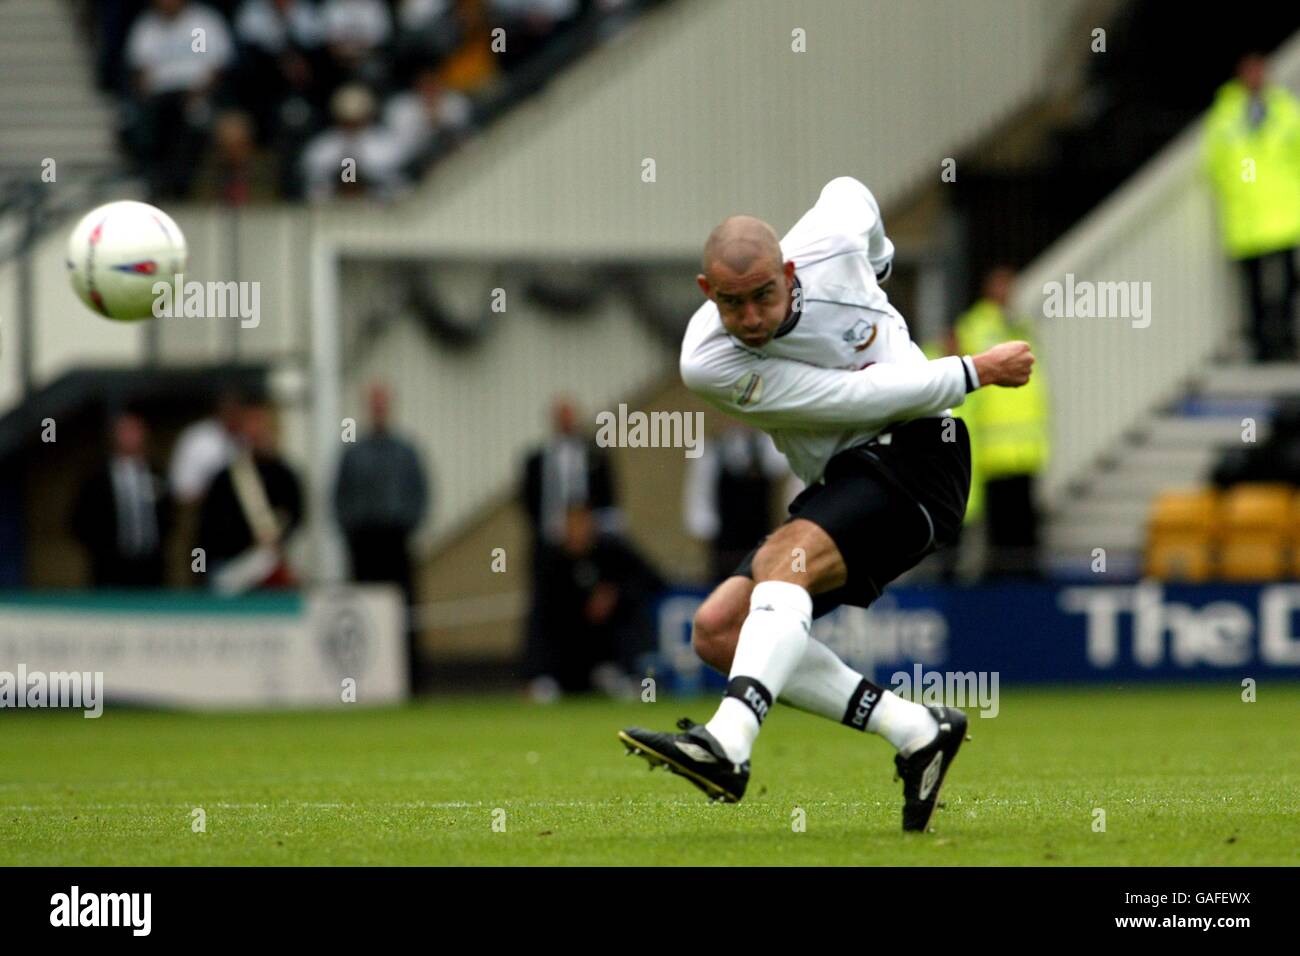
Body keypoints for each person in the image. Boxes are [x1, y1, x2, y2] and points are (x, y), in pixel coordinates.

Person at [618, 177, 1035, 832]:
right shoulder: (709, 361)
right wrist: (972, 369)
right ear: (706, 293)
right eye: (732, 304)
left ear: (787, 269)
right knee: (717, 631)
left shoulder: (832, 237)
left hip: (926, 453)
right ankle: (918, 729)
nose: (751, 319)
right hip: (856, 463)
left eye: (763, 296)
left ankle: (727, 743)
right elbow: (854, 400)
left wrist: (880, 257)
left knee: (787, 559)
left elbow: (852, 192)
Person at [952, 267, 1049, 579]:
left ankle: (1025, 585)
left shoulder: (1020, 325)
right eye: (1001, 285)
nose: (1007, 292)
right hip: (994, 451)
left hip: (1026, 450)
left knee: (1025, 531)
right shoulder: (974, 325)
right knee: (1001, 535)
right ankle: (1003, 586)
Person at [1202, 54, 1300, 360]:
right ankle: (1263, 345)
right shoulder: (1226, 115)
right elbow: (1216, 164)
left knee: (1286, 283)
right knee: (1254, 290)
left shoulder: (1284, 108)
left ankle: (1284, 339)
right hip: (1246, 217)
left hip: (1283, 213)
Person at [333, 383, 430, 692]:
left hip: (396, 541)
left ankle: (410, 685)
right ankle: (364, 682)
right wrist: (352, 531)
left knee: (403, 616)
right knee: (363, 614)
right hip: (363, 544)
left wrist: (406, 524)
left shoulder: (406, 451)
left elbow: (420, 495)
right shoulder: (353, 452)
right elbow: (339, 498)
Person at [526, 505, 664, 700]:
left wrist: (615, 594)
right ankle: (549, 680)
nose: (577, 532)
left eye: (582, 524)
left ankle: (626, 675)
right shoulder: (551, 561)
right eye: (571, 526)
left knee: (634, 617)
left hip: (610, 643)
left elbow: (655, 580)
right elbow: (542, 618)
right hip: (568, 649)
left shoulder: (614, 551)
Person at [197, 404, 303, 592]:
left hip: (270, 568)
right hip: (229, 567)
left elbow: (295, 516)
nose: (256, 432)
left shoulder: (285, 475)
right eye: (250, 426)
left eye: (261, 426)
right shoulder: (224, 478)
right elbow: (210, 527)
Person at [683, 425, 795, 584]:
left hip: (761, 541)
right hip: (725, 547)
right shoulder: (711, 450)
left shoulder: (767, 448)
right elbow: (700, 502)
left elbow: (782, 465)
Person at [71, 411, 171, 588]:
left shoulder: (157, 474)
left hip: (151, 567)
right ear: (114, 436)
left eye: (136, 431)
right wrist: (100, 551)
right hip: (109, 568)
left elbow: (169, 516)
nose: (131, 437)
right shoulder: (96, 478)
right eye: (126, 431)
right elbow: (80, 520)